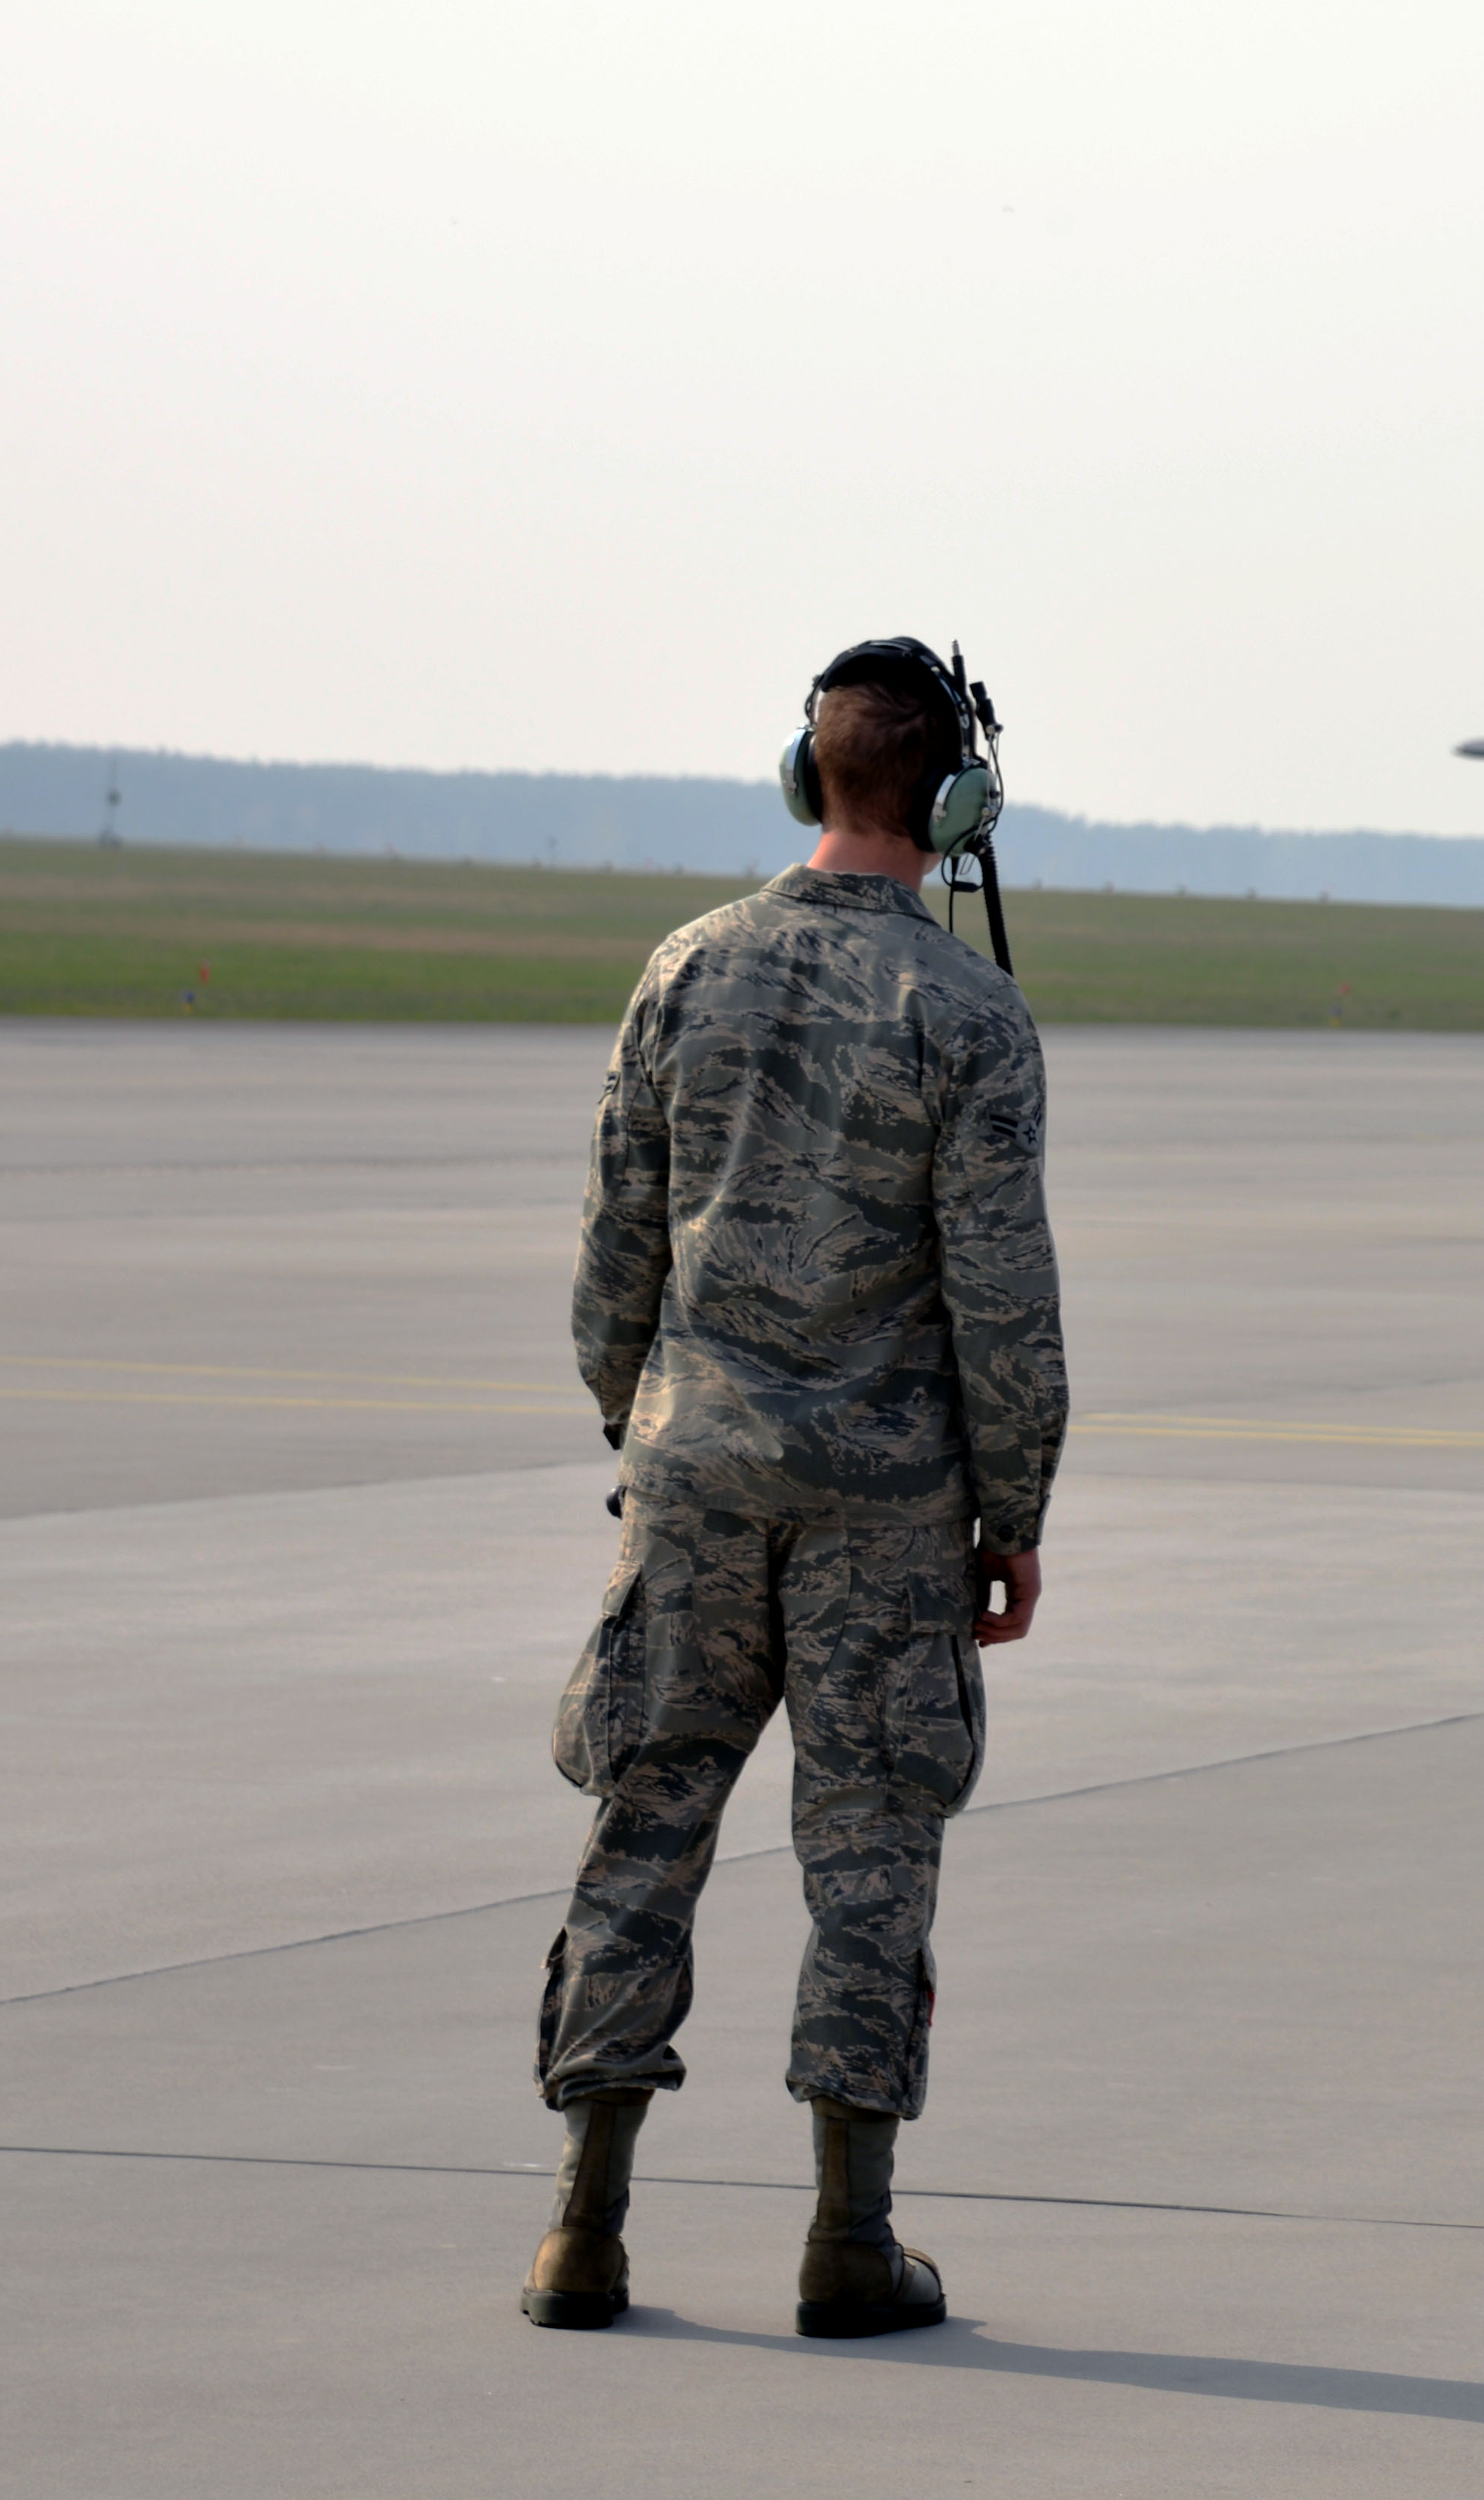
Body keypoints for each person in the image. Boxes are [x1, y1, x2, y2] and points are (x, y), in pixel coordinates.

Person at [519, 637, 1064, 2338]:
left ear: (800, 773)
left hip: (694, 1481)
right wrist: (1013, 1508)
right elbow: (1002, 1296)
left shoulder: (685, 968)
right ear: (958, 800)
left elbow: (615, 1249)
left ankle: (581, 2238)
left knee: (640, 1825)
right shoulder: (967, 1011)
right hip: (882, 1513)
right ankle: (849, 2239)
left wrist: (653, 1432)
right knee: (870, 1846)